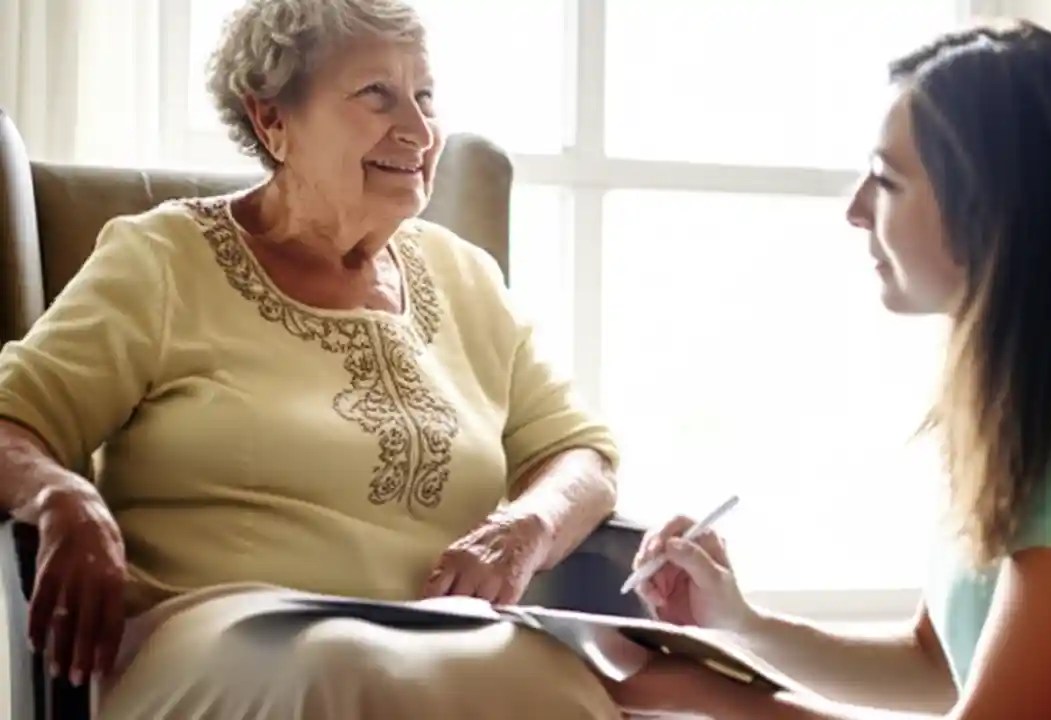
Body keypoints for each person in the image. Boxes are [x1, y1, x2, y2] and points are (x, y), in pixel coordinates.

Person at [606, 20, 1051, 720]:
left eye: (886, 181)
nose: (856, 211)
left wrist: (713, 700)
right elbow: (938, 666)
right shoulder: (1029, 414)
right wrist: (739, 625)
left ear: (991, 209)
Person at [0, 0, 622, 717]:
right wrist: (62, 495)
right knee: (347, 669)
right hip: (219, 637)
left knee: (555, 679)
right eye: (376, 96)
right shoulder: (163, 259)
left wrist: (528, 526)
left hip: (438, 639)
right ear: (272, 120)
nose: (419, 131)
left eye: (424, 96)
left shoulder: (467, 278)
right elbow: (13, 421)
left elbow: (582, 455)